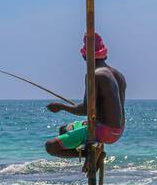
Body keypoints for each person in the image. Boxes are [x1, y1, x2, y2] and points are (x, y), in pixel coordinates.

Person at [44, 34, 126, 171]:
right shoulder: (117, 74)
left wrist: (60, 107)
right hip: (117, 130)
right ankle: (94, 151)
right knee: (64, 129)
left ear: (84, 57)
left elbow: (85, 110)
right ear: (104, 55)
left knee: (51, 146)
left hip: (103, 131)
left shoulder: (94, 75)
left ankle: (91, 153)